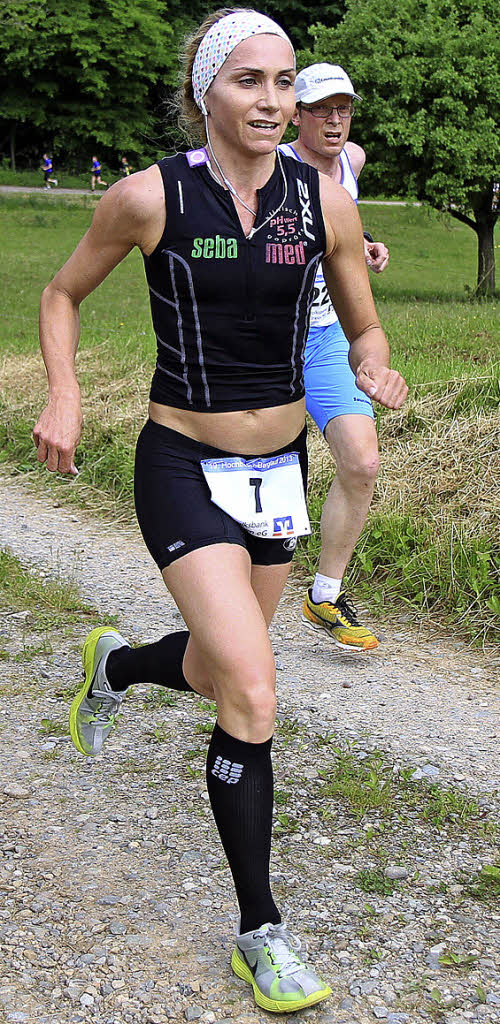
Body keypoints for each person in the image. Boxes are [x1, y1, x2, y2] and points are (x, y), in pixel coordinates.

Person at [33, 9, 407, 1014]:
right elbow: (61, 294)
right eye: (250, 81)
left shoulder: (319, 199)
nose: (272, 103)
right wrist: (64, 394)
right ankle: (261, 930)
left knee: (209, 665)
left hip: (278, 470)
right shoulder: (146, 196)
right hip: (182, 464)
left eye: (284, 83)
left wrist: (372, 361)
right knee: (251, 686)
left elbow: (360, 319)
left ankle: (113, 665)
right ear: (207, 90)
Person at [280, 64, 390, 651]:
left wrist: (363, 243)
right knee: (269, 467)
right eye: (321, 108)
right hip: (269, 337)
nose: (335, 119)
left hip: (327, 336)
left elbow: (339, 221)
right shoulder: (271, 168)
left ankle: (323, 595)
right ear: (296, 114)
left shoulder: (353, 160)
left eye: (343, 107)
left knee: (362, 462)